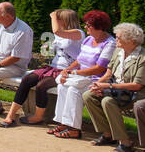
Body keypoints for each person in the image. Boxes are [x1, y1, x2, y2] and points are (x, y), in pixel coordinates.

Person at [0, 8, 83, 127]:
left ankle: (38, 117)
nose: (55, 22)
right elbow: (51, 47)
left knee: (42, 86)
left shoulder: (78, 33)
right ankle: (11, 115)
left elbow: (57, 31)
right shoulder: (60, 33)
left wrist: (53, 16)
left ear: (65, 20)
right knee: (27, 80)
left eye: (58, 19)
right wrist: (47, 48)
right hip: (53, 67)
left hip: (67, 70)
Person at [84, 22, 145, 152]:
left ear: (132, 41)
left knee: (107, 101)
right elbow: (109, 73)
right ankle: (108, 134)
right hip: (115, 90)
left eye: (119, 37)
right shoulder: (118, 51)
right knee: (88, 95)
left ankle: (125, 142)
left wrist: (107, 86)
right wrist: (97, 85)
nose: (115, 39)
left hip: (135, 94)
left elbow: (137, 85)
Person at [49, 10, 116, 138]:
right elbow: (79, 60)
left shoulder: (109, 43)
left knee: (74, 90)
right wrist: (67, 70)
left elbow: (99, 68)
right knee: (62, 86)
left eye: (89, 25)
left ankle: (74, 128)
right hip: (81, 77)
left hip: (97, 80)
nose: (85, 27)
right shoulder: (89, 39)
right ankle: (63, 123)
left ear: (99, 27)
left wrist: (74, 72)